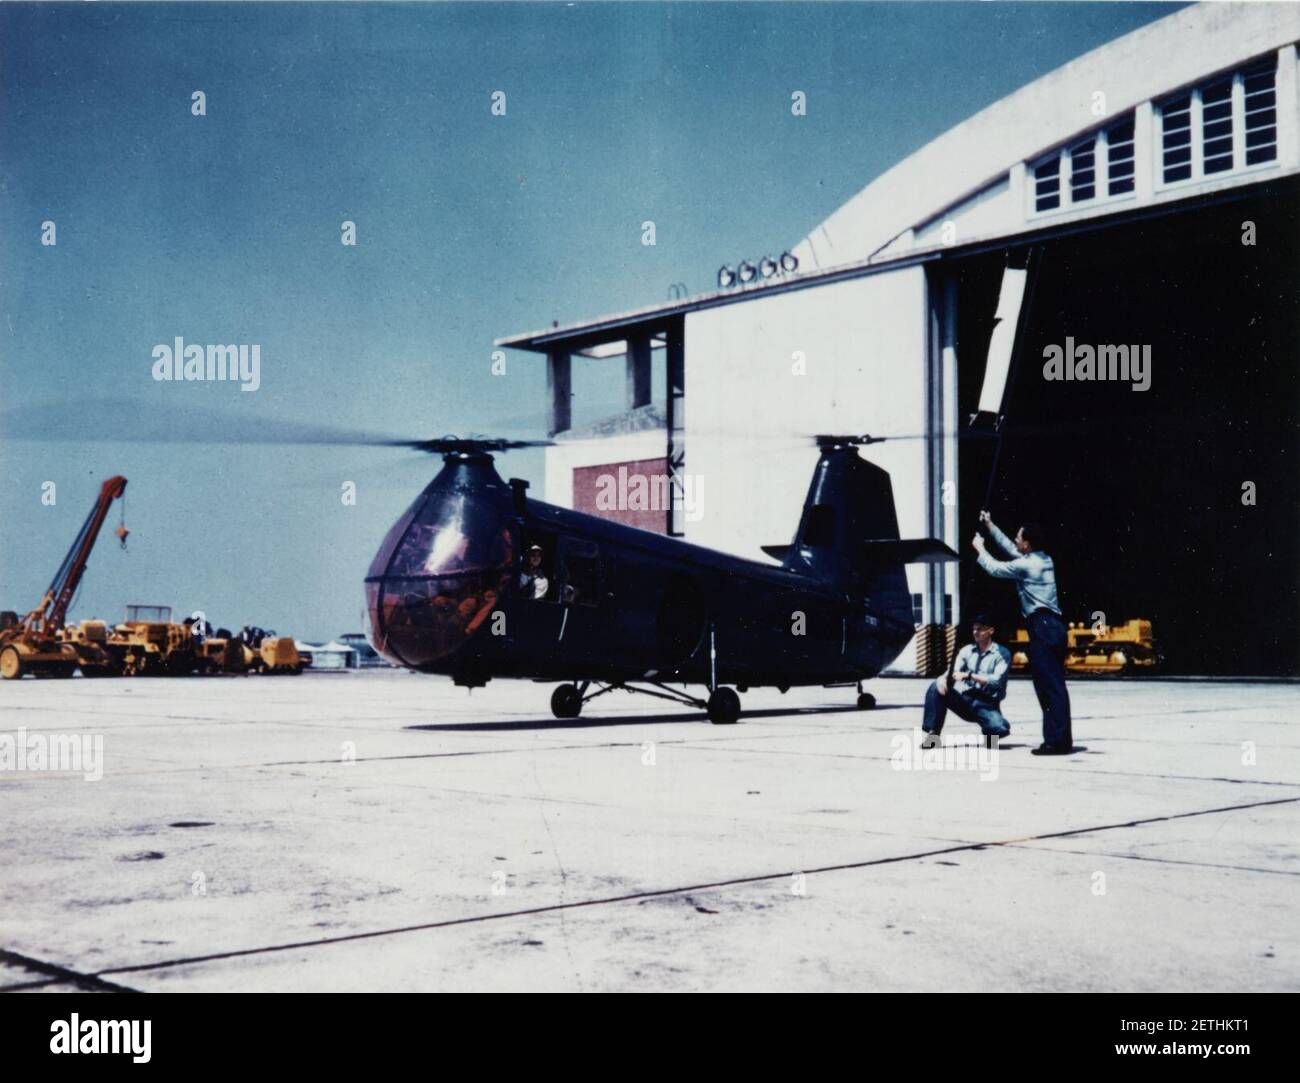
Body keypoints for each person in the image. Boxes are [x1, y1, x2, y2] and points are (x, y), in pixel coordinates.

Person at [973, 513, 1073, 755]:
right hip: (1053, 626)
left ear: (1027, 544)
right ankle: (1059, 738)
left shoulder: (1028, 564)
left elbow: (995, 569)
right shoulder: (1041, 559)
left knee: (1048, 687)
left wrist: (979, 548)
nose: (1015, 541)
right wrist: (990, 525)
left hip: (1042, 626)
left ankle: (1056, 742)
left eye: (1019, 538)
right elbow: (1009, 548)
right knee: (1054, 685)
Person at [920, 614, 1011, 749]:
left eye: (980, 629)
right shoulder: (966, 651)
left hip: (987, 703)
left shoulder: (1002, 654)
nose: (975, 632)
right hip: (966, 700)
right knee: (935, 687)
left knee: (1000, 728)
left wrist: (969, 676)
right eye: (974, 629)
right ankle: (933, 735)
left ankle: (990, 732)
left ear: (990, 631)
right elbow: (951, 671)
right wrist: (942, 679)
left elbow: (996, 682)